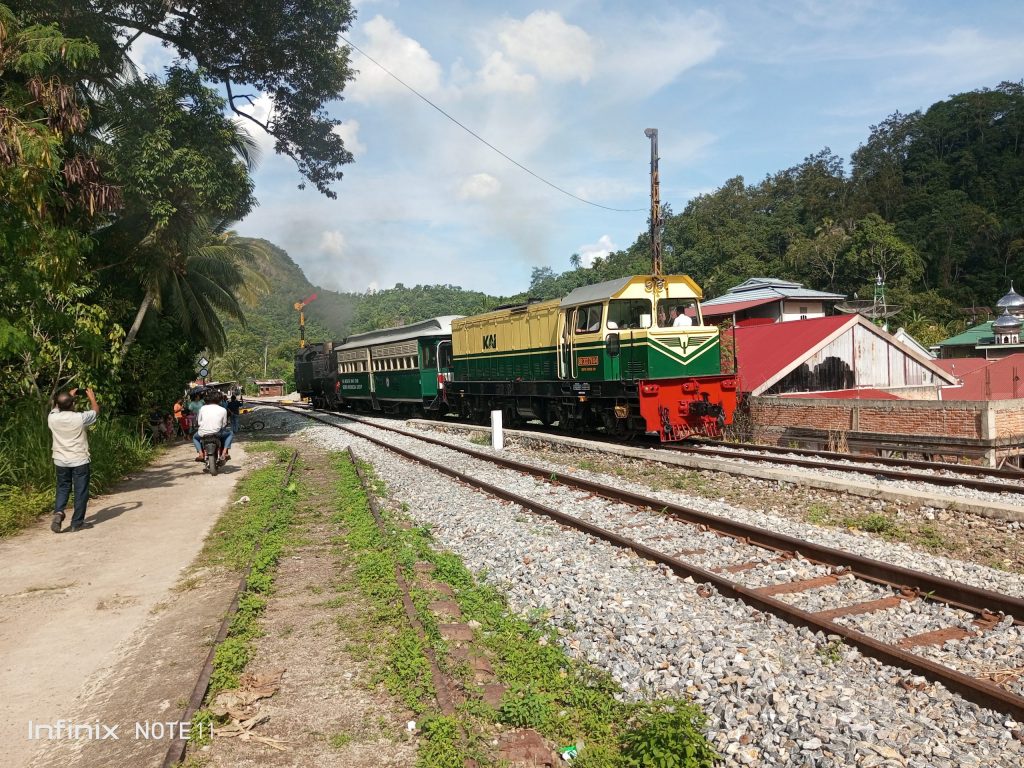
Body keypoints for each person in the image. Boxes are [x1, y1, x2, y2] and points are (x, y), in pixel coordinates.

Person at [47, 387, 100, 533]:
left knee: (63, 488)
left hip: (60, 460)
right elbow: (95, 410)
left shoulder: (52, 417)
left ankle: (58, 512)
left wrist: (68, 396)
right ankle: (77, 523)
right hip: (79, 460)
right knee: (80, 491)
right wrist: (92, 398)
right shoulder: (80, 418)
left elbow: (58, 406)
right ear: (72, 404)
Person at [193, 391, 233, 462]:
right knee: (230, 433)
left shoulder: (202, 408)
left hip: (203, 433)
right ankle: (224, 452)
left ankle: (201, 454)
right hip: (217, 433)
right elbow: (224, 424)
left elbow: (199, 422)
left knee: (195, 438)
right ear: (219, 400)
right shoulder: (223, 410)